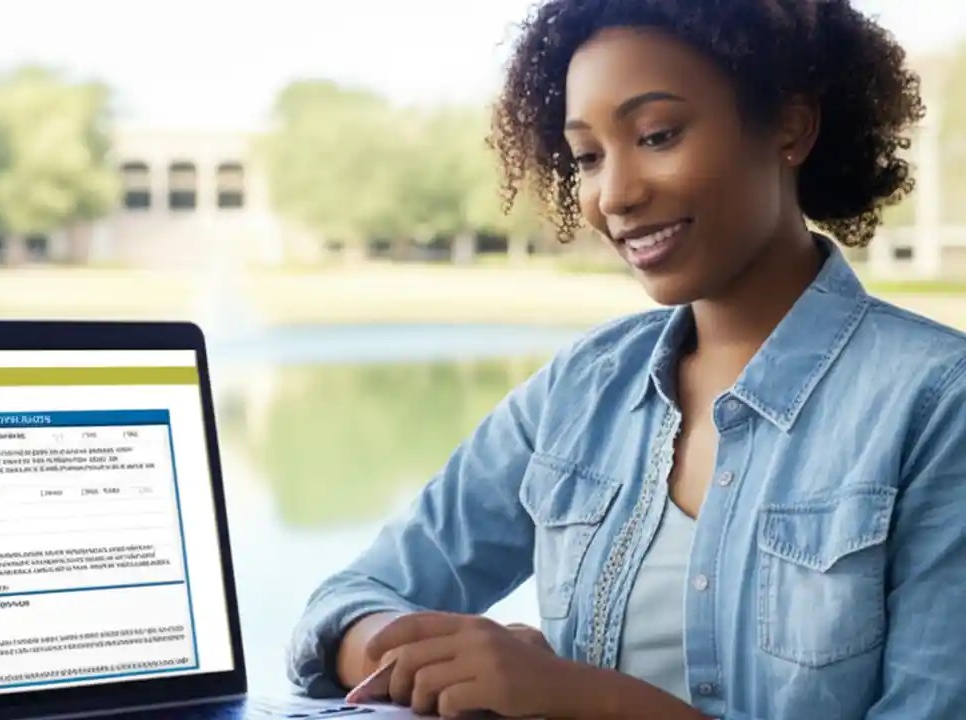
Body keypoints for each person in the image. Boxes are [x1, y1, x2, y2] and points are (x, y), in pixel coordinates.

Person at [285, 1, 966, 718]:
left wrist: (576, 697)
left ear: (790, 127)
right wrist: (431, 657)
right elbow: (343, 604)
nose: (616, 194)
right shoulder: (581, 390)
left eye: (657, 135)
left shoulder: (936, 405)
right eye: (587, 156)